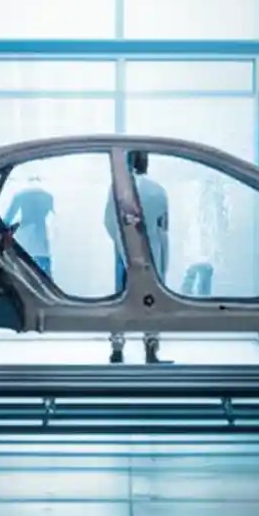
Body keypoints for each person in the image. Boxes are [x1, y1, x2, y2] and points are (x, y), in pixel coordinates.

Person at [104, 151, 169, 364]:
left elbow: (108, 221)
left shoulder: (117, 189)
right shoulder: (158, 190)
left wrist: (121, 244)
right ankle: (151, 347)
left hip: (123, 256)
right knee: (152, 302)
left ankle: (117, 348)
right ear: (146, 163)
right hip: (152, 257)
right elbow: (163, 229)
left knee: (121, 301)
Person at [3, 174, 55, 275]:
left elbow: (7, 220)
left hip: (23, 239)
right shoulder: (48, 196)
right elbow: (51, 216)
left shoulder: (20, 195)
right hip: (41, 240)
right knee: (45, 278)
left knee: (22, 274)